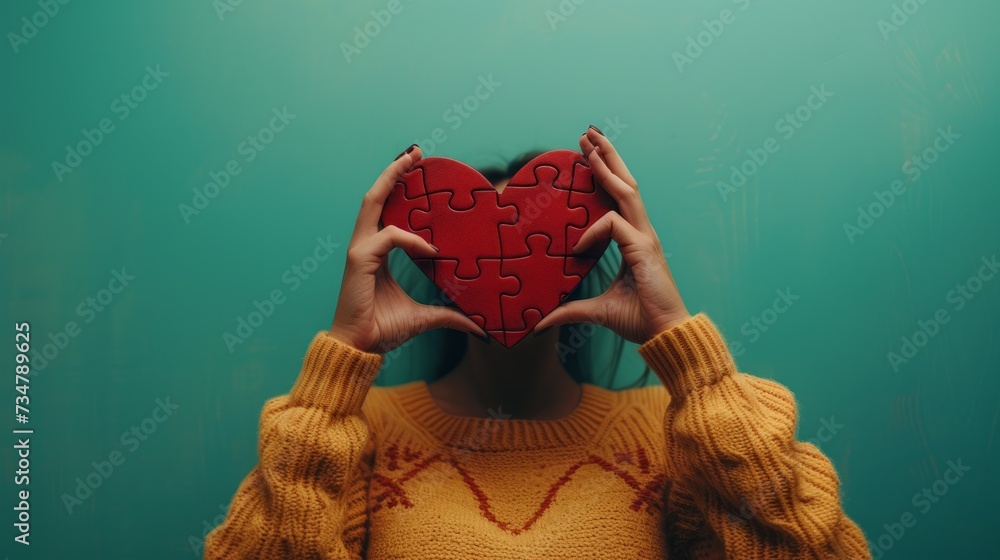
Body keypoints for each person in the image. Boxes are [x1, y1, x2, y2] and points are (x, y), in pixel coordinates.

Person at [204, 126, 872, 559]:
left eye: (534, 244)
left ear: (587, 260)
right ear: (434, 268)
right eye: (477, 248)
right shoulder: (361, 434)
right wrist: (340, 368)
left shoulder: (672, 439)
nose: (506, 270)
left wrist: (688, 357)